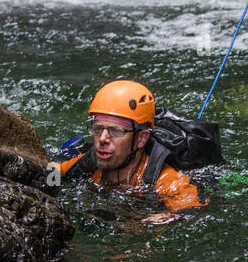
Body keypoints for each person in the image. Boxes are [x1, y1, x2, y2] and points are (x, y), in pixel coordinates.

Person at [53, 80, 206, 213]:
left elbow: (192, 210)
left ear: (141, 139)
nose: (103, 138)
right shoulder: (88, 163)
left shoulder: (166, 181)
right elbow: (51, 171)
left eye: (115, 130)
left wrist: (168, 216)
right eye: (98, 128)